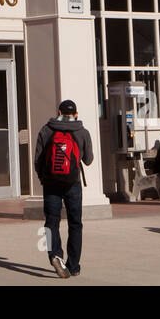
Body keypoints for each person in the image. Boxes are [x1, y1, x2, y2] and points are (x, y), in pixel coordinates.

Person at [34, 99, 94, 279]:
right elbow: (89, 160)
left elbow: (38, 160)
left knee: (51, 223)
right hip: (72, 183)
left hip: (51, 183)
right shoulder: (82, 132)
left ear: (58, 112)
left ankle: (55, 255)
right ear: (75, 114)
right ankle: (73, 265)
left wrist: (43, 178)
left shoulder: (46, 130)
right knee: (75, 223)